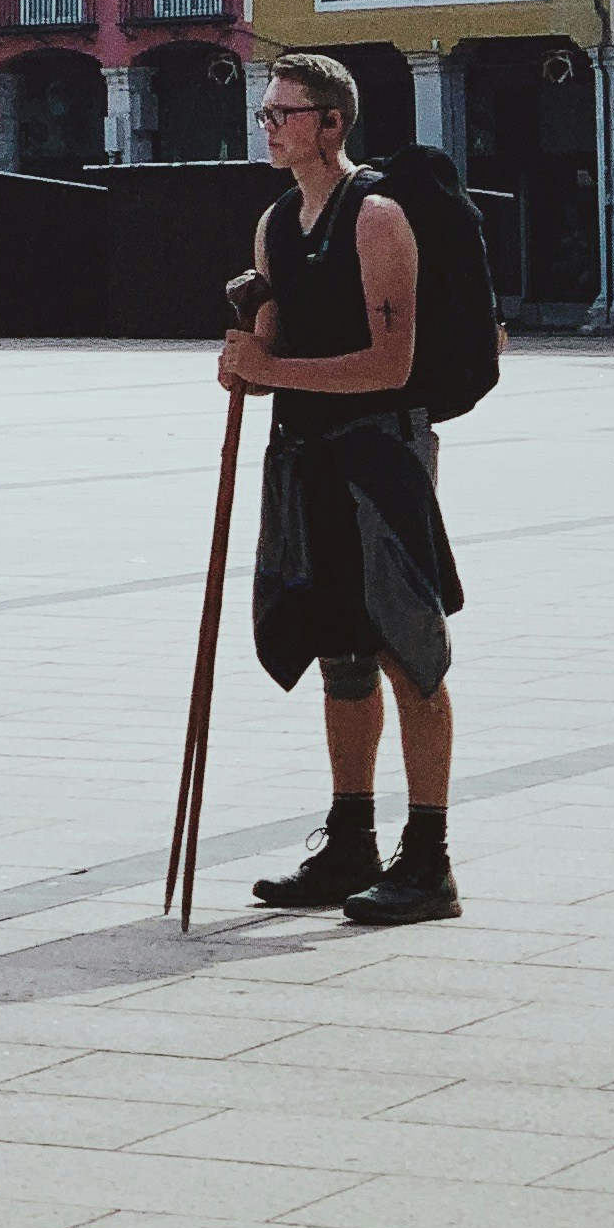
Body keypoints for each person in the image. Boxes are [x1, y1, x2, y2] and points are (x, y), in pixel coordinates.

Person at [221, 54, 467, 924]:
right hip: (306, 459)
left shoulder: (378, 218)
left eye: (284, 112)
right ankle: (352, 841)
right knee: (340, 652)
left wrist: (274, 367)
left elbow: (389, 364)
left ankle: (429, 859)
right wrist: (245, 363)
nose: (270, 126)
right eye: (265, 112)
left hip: (380, 460)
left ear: (332, 122)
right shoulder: (276, 224)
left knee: (409, 653)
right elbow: (270, 352)